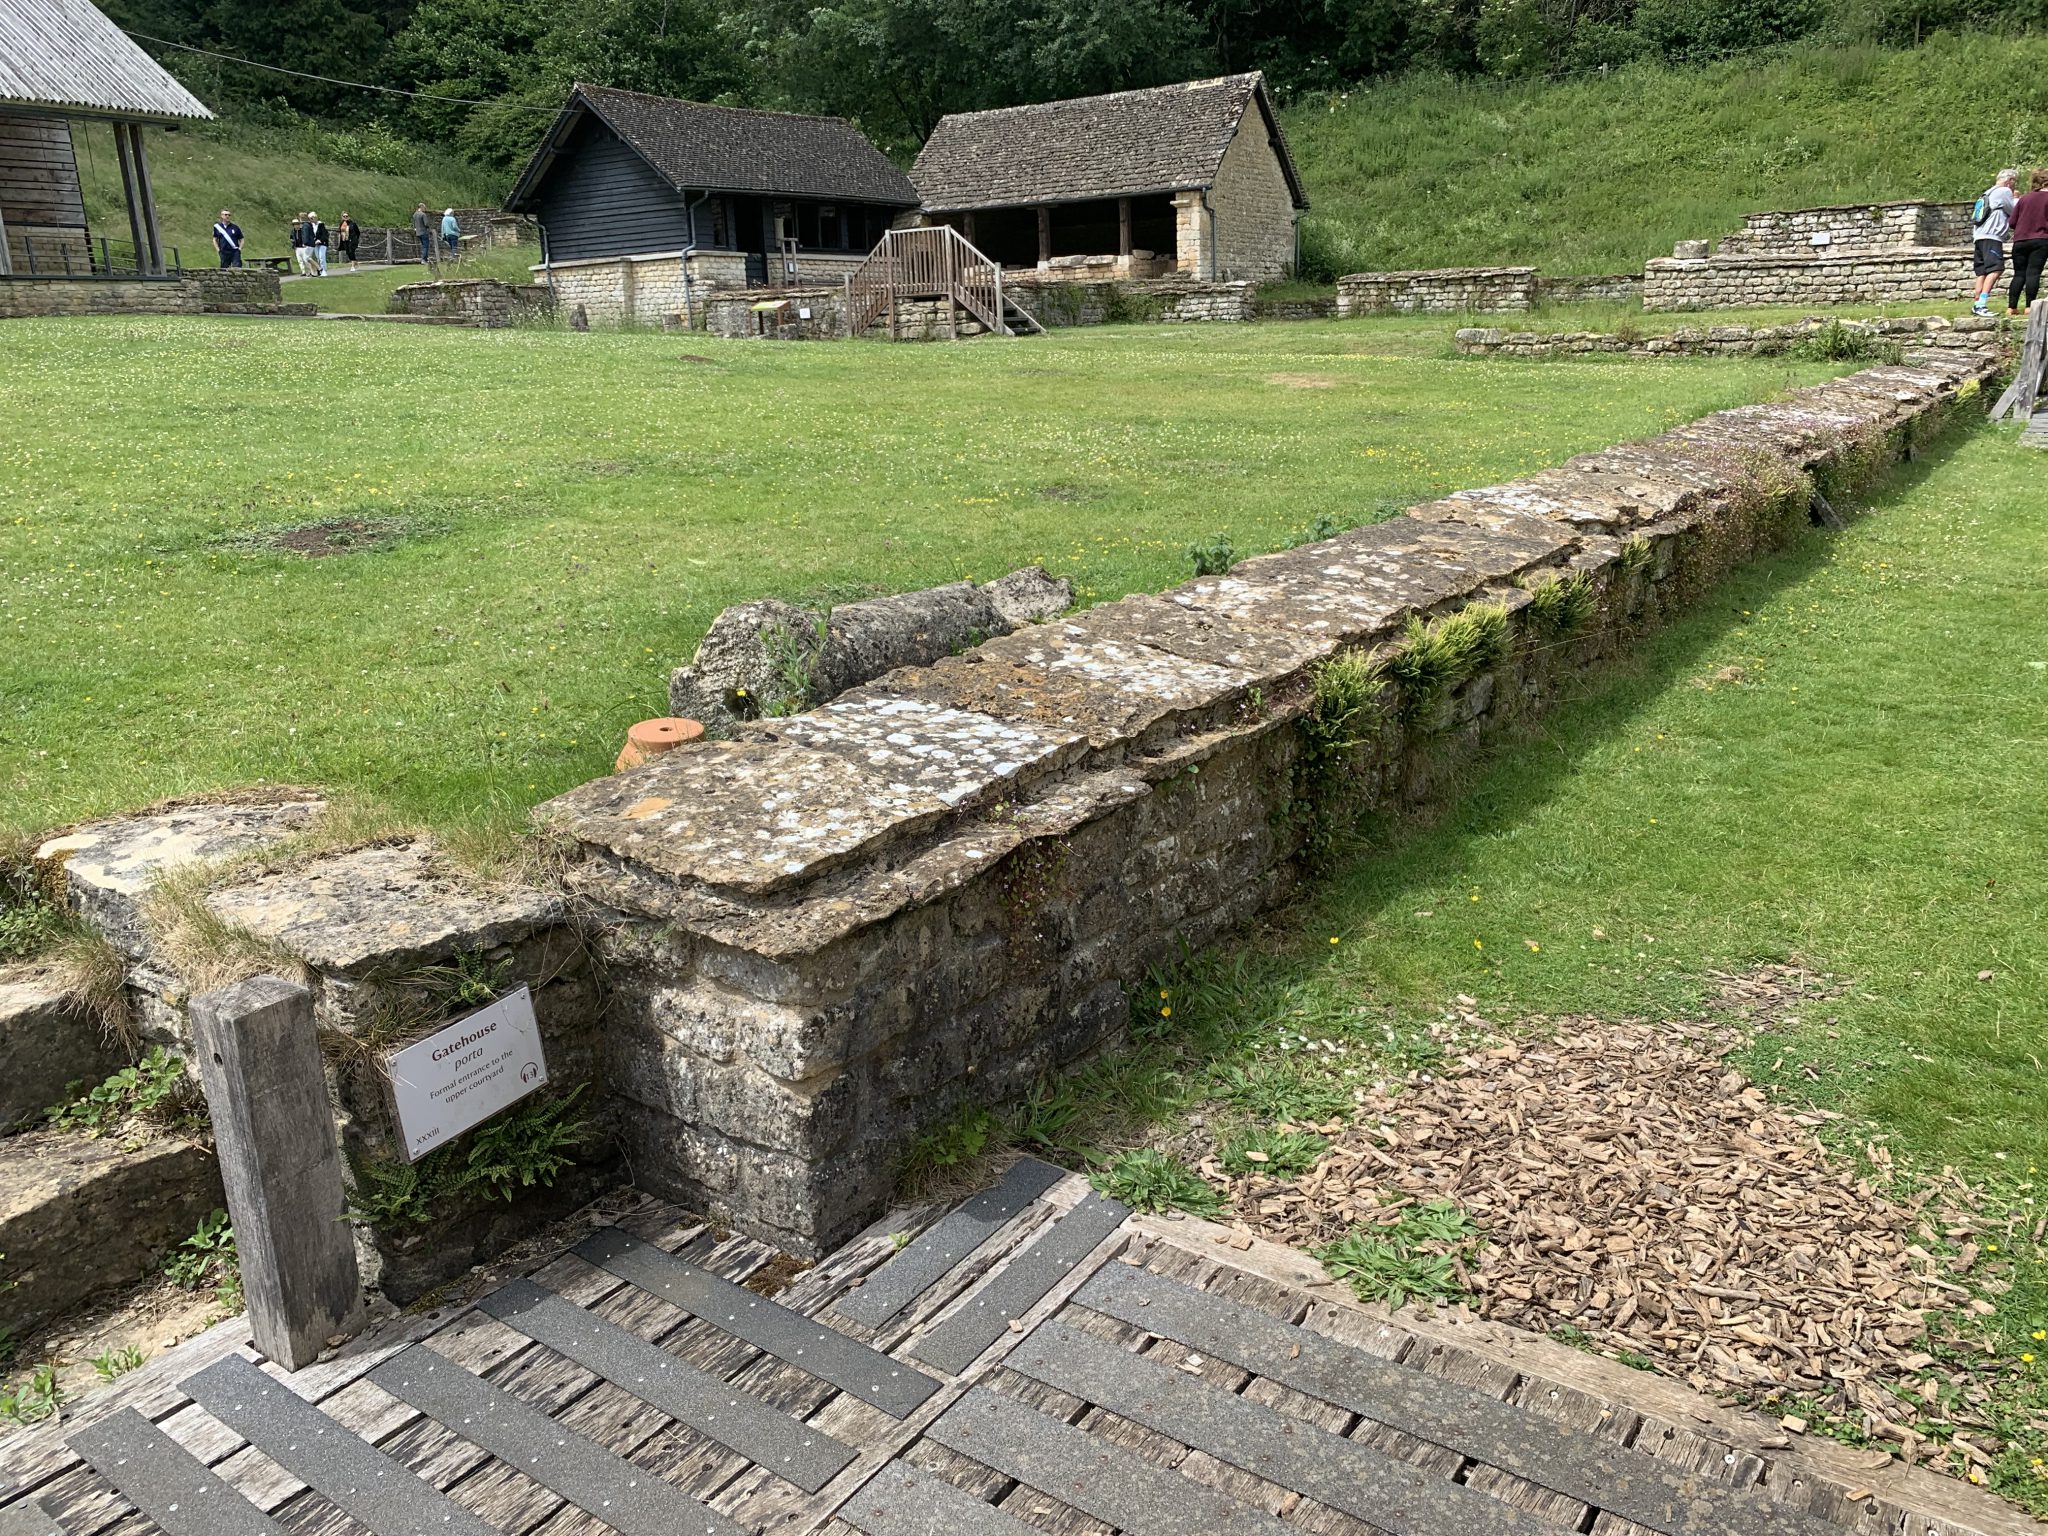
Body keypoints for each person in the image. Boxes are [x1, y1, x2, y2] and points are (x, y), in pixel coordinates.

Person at [1972, 169, 2018, 316]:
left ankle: (1977, 303)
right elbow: (2013, 210)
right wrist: (2017, 198)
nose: (2013, 186)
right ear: (2009, 180)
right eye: (2014, 182)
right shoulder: (2004, 191)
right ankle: (1981, 305)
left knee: (1982, 272)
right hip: (1992, 236)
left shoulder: (1987, 192)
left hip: (1979, 236)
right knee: (1996, 269)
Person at [2008, 171, 2048, 316]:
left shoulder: (2024, 198)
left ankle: (2011, 307)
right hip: (2041, 239)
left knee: (2019, 274)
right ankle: (2029, 307)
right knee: (2033, 272)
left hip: (2020, 240)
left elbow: (2012, 222)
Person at [309, 211, 329, 277]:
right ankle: (320, 270)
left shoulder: (321, 224)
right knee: (318, 257)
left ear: (316, 217)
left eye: (312, 218)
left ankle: (324, 271)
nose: (312, 219)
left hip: (322, 243)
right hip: (315, 244)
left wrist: (320, 240)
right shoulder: (311, 226)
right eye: (310, 218)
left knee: (321, 257)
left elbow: (325, 234)